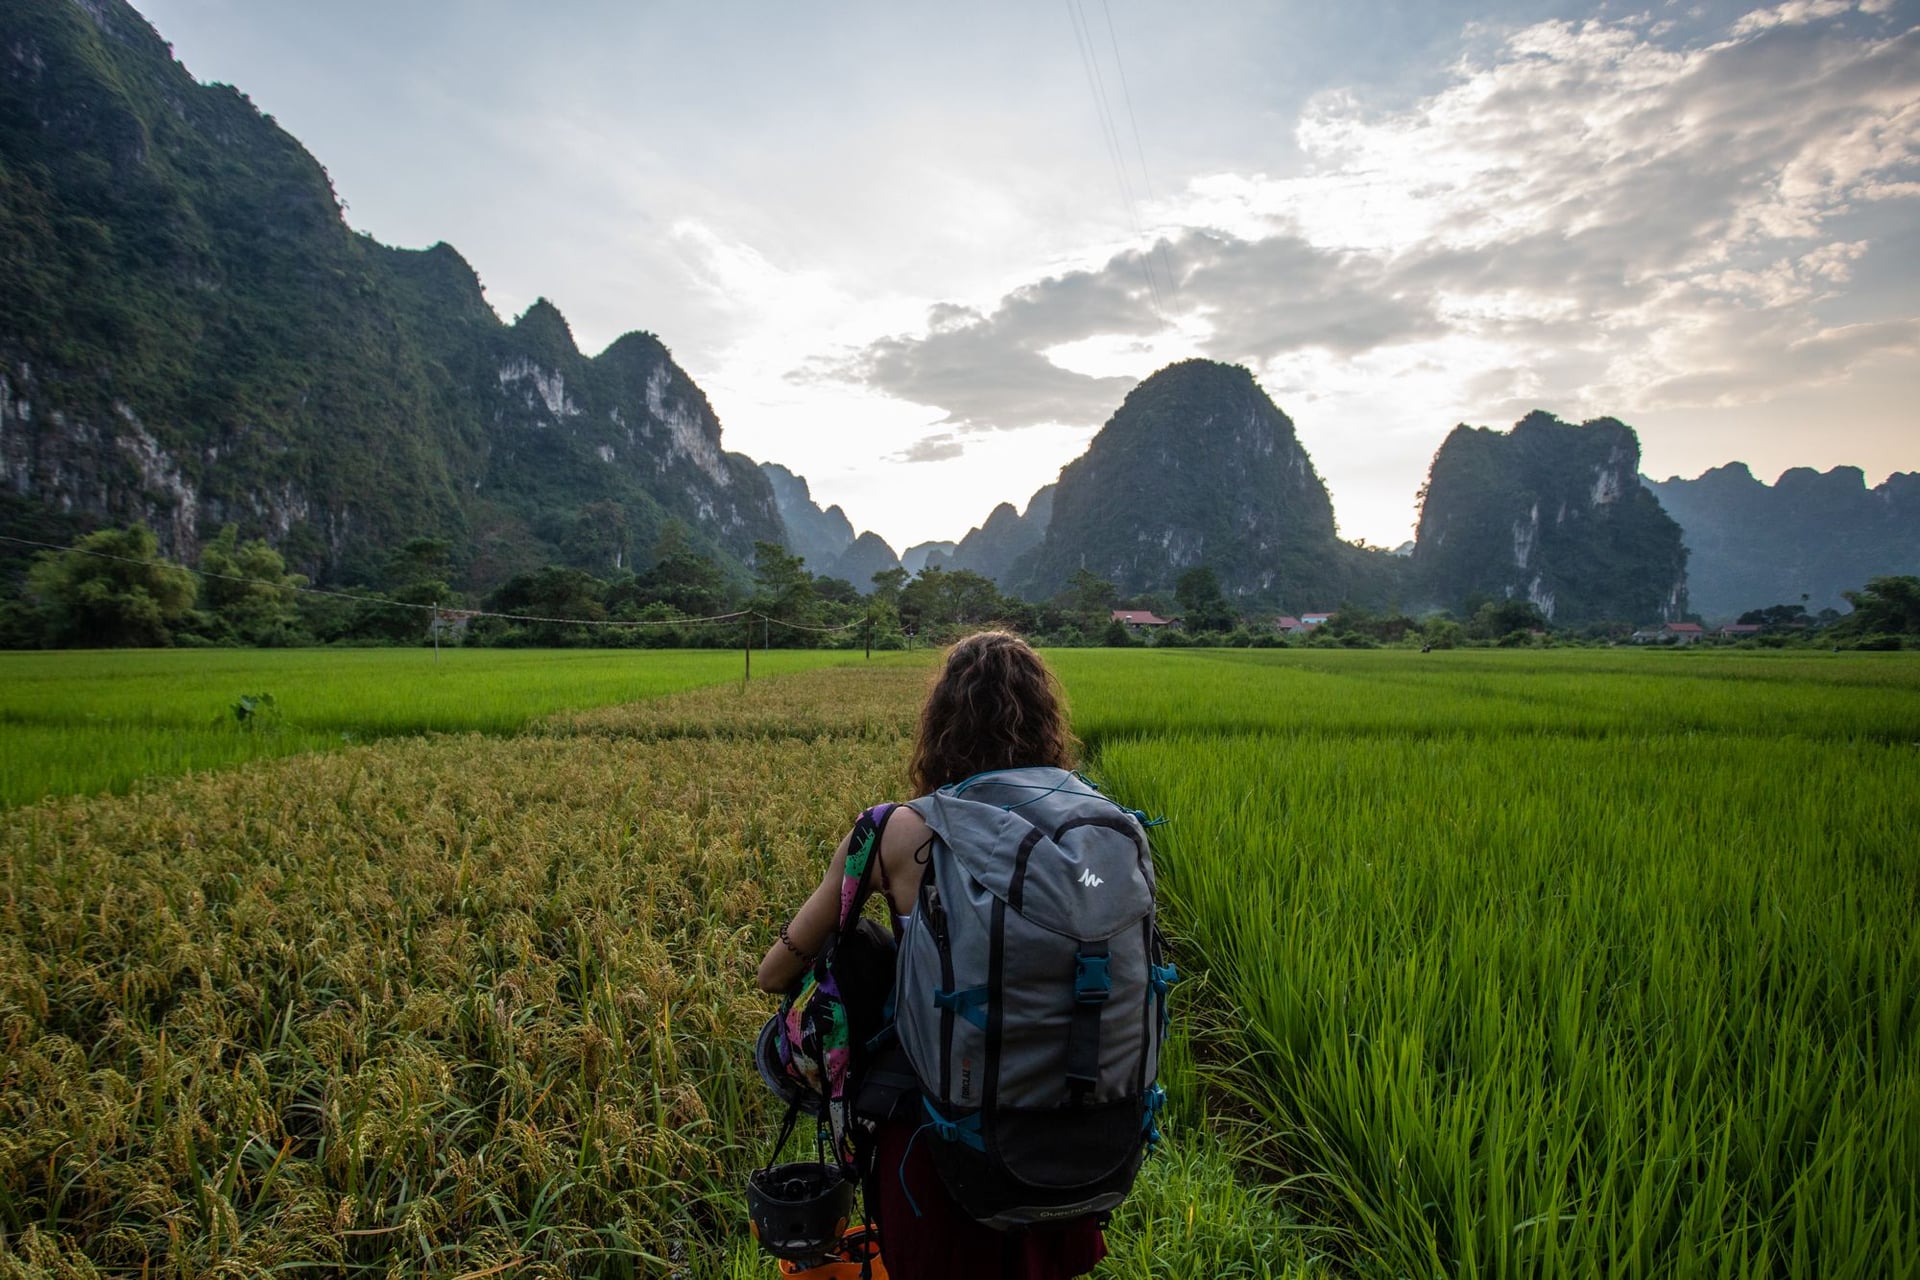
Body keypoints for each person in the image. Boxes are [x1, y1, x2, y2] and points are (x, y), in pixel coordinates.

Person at [757, 631, 1108, 1279]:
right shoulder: (1089, 824)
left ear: (940, 725)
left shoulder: (893, 830)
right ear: (1045, 721)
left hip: (939, 1142)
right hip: (1071, 1129)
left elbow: (774, 973)